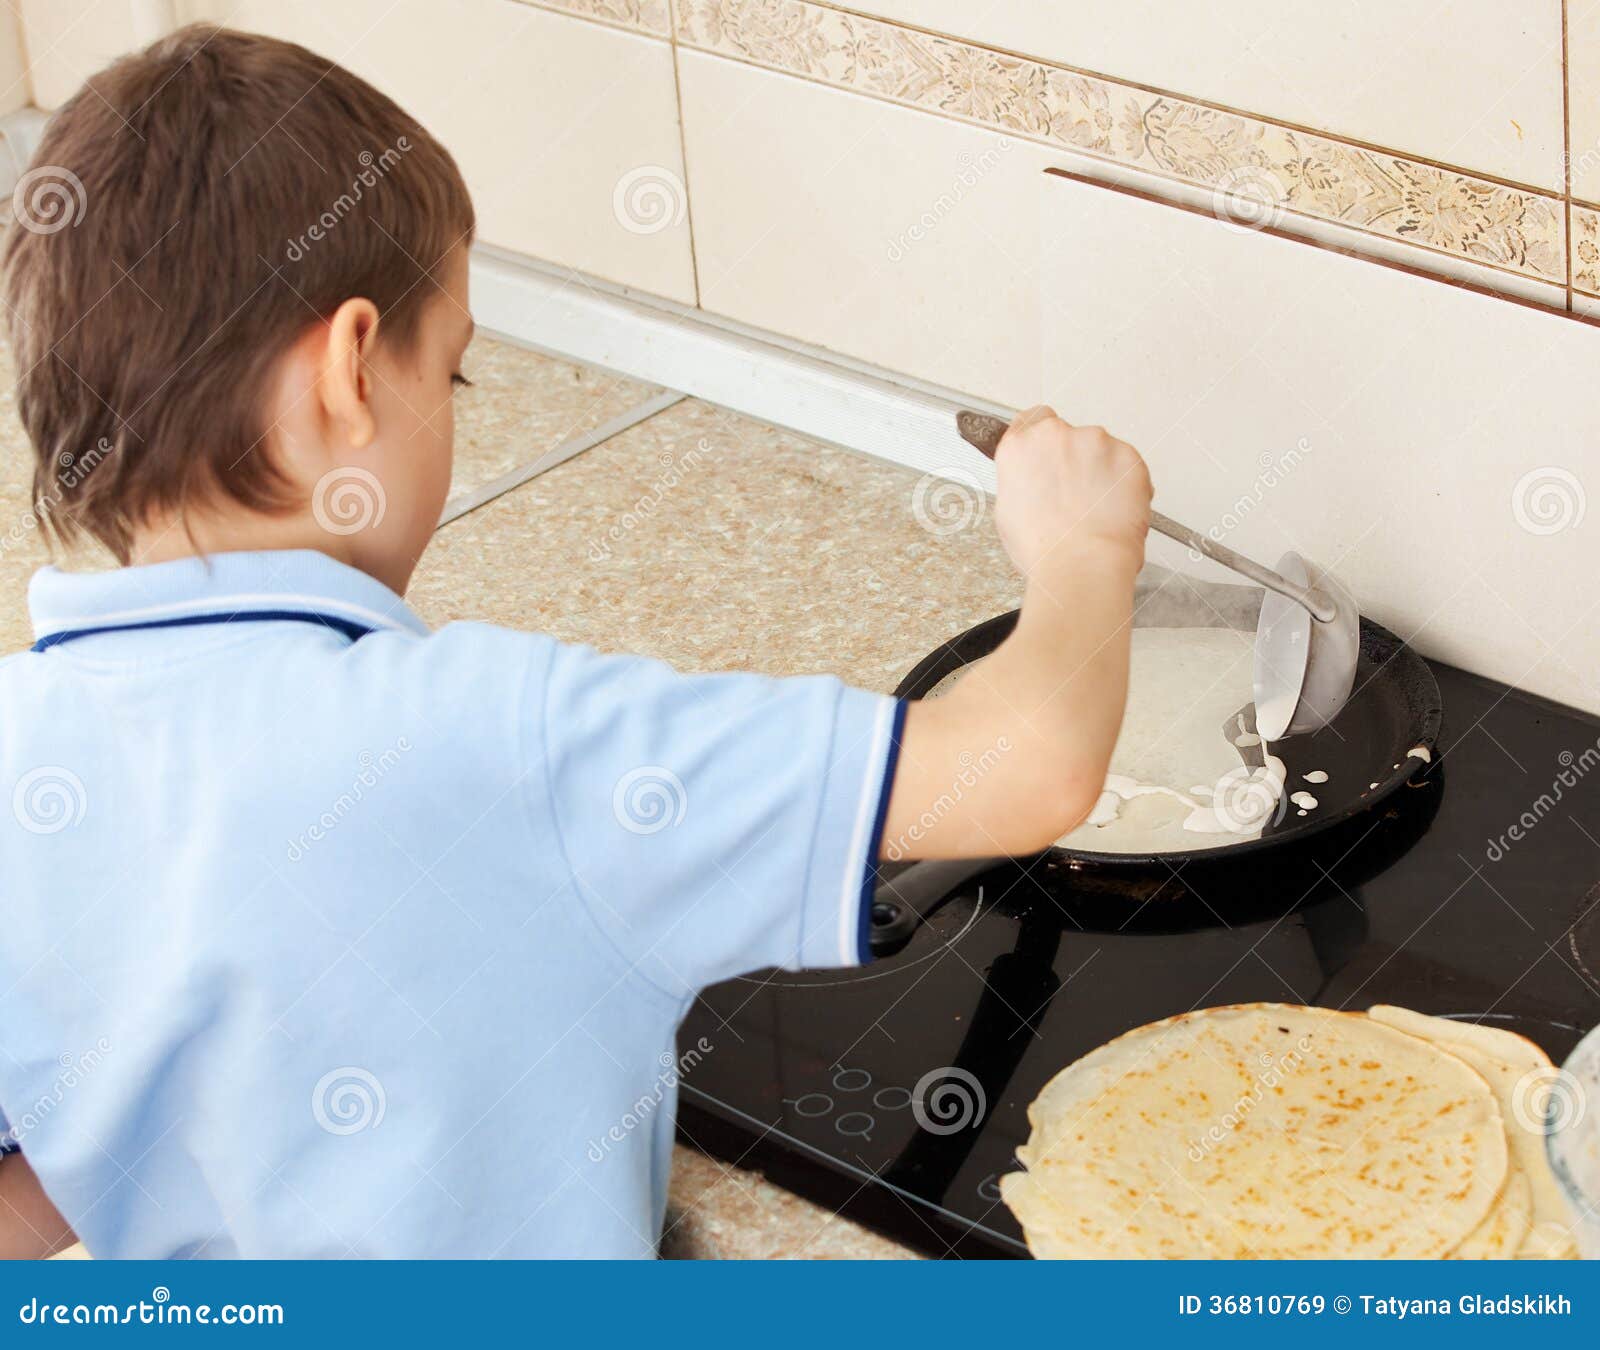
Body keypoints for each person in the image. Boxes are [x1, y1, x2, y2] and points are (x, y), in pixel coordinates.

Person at [0, 25, 1150, 1258]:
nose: (450, 413)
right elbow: (1025, 764)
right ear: (347, 370)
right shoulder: (508, 741)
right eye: (452, 375)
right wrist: (1083, 547)